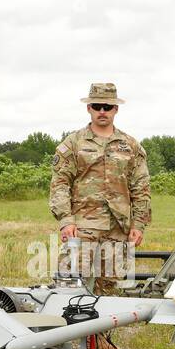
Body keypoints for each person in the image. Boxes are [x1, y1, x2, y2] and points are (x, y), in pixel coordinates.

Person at [49, 82, 151, 322]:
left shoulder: (130, 145)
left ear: (116, 109)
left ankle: (102, 337)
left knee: (108, 285)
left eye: (107, 106)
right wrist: (65, 220)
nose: (102, 111)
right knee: (72, 282)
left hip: (118, 227)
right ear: (89, 109)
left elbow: (141, 187)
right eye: (97, 106)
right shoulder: (73, 144)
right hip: (82, 225)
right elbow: (60, 183)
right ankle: (67, 335)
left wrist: (139, 224)